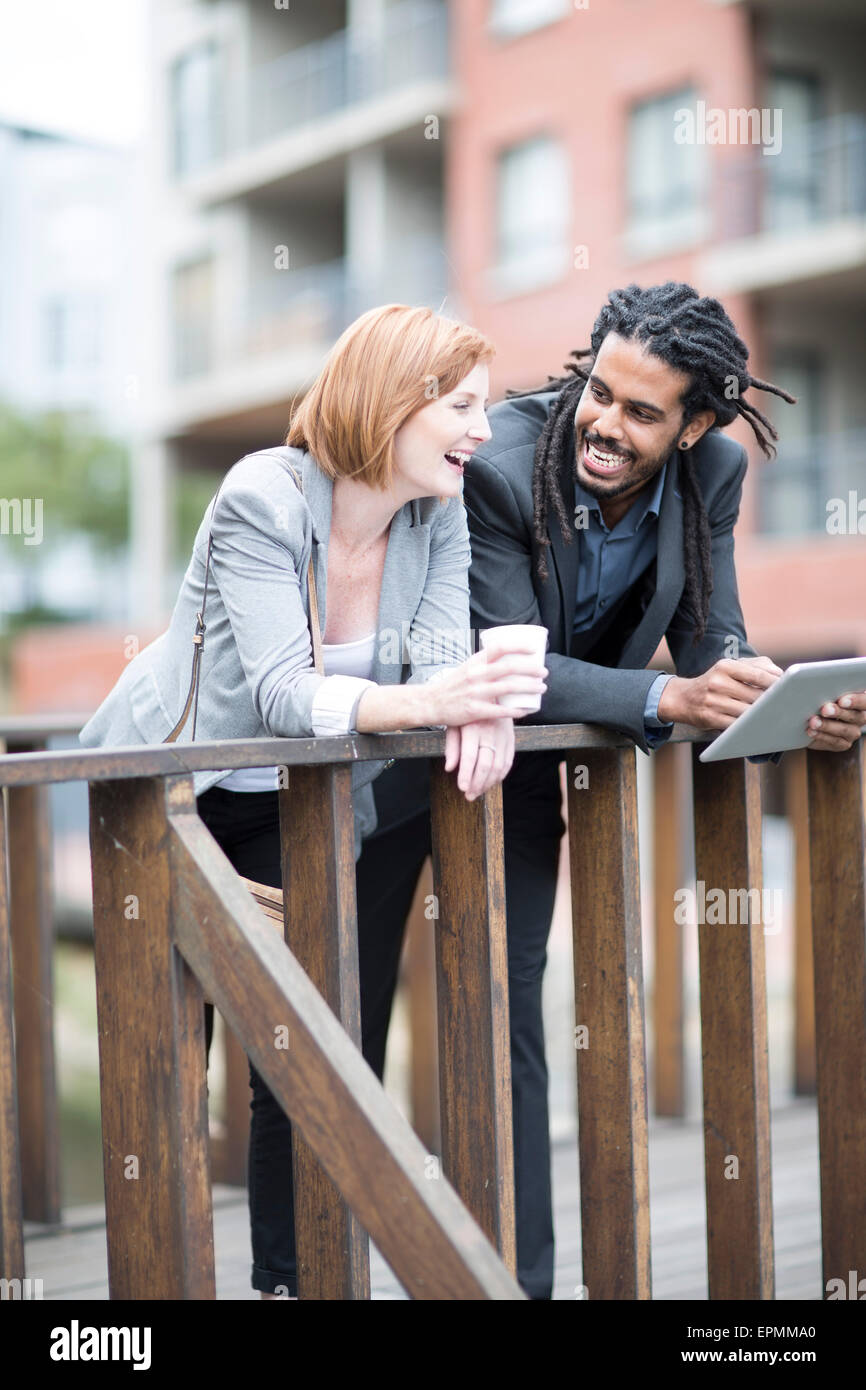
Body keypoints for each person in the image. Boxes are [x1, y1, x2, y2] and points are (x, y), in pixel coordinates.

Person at [353, 281, 866, 1300]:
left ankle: (515, 1286)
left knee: (506, 1025)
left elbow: (711, 628)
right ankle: (295, 1274)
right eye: (600, 392)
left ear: (697, 424)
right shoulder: (498, 467)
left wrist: (774, 703)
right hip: (399, 763)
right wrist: (670, 693)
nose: (605, 423)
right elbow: (512, 662)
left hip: (528, 779)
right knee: (338, 1020)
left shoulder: (712, 471)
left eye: (642, 412)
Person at [78, 302, 550, 1299]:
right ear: (392, 404)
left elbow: (437, 666)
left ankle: (286, 1286)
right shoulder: (263, 496)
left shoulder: (438, 513)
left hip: (298, 807)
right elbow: (286, 693)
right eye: (461, 406)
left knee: (293, 1054)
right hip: (171, 794)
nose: (481, 430)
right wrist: (436, 697)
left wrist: (482, 712)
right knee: (169, 1053)